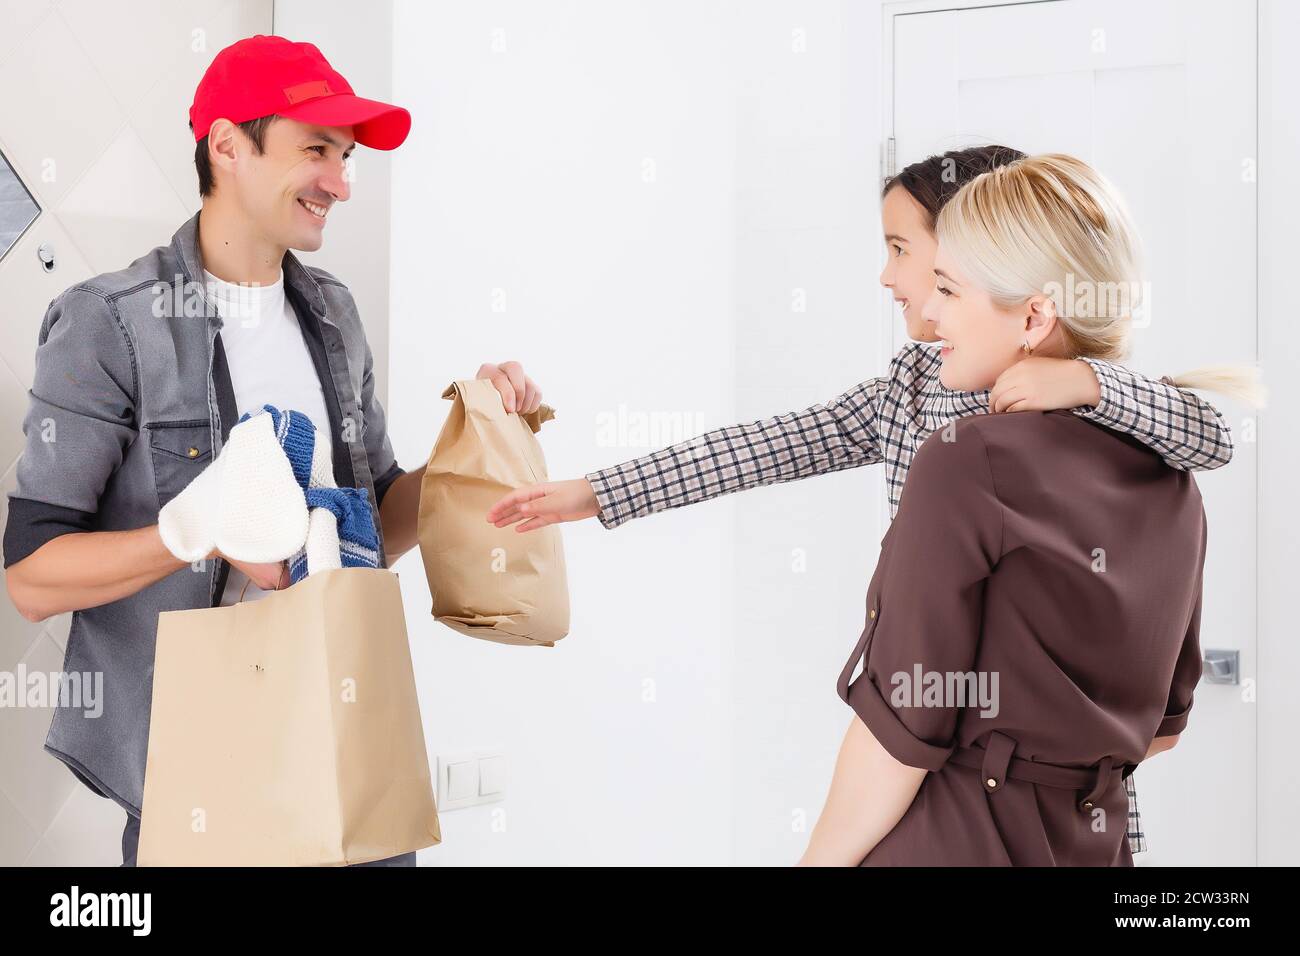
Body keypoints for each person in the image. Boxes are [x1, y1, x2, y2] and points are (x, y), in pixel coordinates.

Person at [486, 145, 1238, 856]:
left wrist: (1088, 382)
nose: (888, 275)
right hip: (1029, 793)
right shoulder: (918, 387)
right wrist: (596, 491)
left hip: (981, 788)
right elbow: (767, 445)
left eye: (905, 251)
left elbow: (1208, 429)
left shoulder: (1096, 430)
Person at [2, 35, 543, 867]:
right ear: (226, 146)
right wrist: (191, 530)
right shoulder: (111, 324)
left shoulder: (333, 313)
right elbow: (31, 578)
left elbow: (381, 519)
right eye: (316, 149)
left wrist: (476, 450)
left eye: (347, 155)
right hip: (202, 784)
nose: (341, 180)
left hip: (346, 755)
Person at [798, 153, 1259, 866]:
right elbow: (1164, 727)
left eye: (947, 288)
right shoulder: (1174, 480)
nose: (926, 308)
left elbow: (900, 733)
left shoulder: (964, 459)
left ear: (1035, 316)